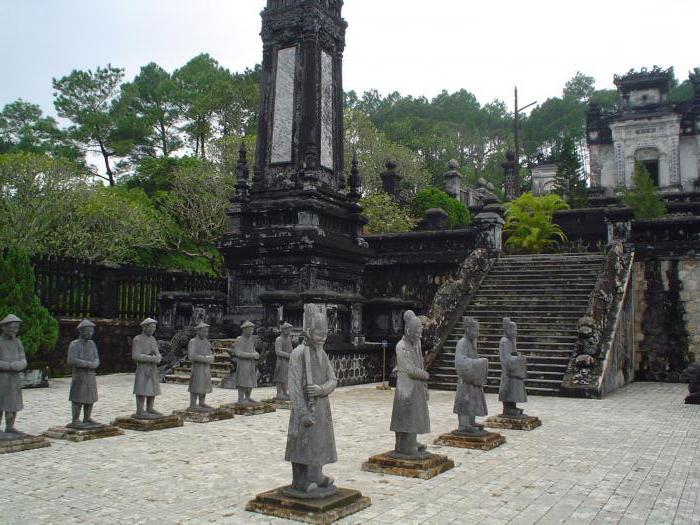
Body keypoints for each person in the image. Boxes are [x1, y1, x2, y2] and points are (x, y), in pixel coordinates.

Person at [285, 311, 337, 497]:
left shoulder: (321, 353)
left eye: (324, 334)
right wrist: (302, 412)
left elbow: (333, 380)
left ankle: (316, 474)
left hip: (321, 406)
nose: (322, 338)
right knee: (302, 442)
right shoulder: (298, 354)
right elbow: (294, 387)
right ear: (308, 332)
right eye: (318, 334)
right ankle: (299, 479)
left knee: (319, 442)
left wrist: (321, 389)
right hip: (304, 408)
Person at [390, 315, 430, 458]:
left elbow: (419, 363)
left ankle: (411, 441)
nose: (419, 336)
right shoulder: (401, 346)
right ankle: (404, 445)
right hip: (406, 388)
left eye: (420, 333)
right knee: (405, 416)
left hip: (416, 386)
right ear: (408, 331)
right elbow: (409, 369)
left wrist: (425, 386)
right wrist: (424, 375)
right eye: (416, 333)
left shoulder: (416, 344)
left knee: (414, 415)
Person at [453, 317, 488, 435]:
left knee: (473, 399)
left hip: (472, 378)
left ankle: (471, 421)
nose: (477, 334)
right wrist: (478, 363)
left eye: (478, 331)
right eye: (475, 331)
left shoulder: (472, 343)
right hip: (465, 380)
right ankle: (463, 424)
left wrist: (478, 363)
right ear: (467, 329)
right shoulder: (462, 343)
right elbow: (460, 362)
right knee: (465, 400)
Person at [67, 319, 101, 428]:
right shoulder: (74, 344)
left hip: (90, 375)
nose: (90, 333)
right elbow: (71, 360)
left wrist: (95, 364)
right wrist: (86, 364)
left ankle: (87, 418)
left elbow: (96, 358)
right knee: (78, 396)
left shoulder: (92, 344)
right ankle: (75, 419)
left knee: (90, 396)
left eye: (91, 331)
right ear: (81, 331)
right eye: (87, 331)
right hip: (79, 375)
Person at [0, 314, 26, 434]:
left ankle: (10, 426)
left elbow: (23, 359)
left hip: (14, 378)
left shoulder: (18, 342)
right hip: (2, 378)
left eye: (16, 328)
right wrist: (9, 366)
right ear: (4, 327)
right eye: (12, 327)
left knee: (13, 403)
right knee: (1, 403)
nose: (14, 330)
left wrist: (21, 364)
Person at [132, 318, 162, 419]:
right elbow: (136, 356)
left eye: (154, 328)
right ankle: (140, 410)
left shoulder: (153, 339)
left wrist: (158, 357)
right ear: (145, 327)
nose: (153, 330)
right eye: (151, 327)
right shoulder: (138, 339)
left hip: (152, 368)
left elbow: (158, 353)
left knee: (152, 388)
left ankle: (150, 408)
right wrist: (151, 358)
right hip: (143, 368)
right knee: (142, 388)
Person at [498, 317, 528, 419]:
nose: (515, 332)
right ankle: (507, 408)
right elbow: (506, 359)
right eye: (513, 330)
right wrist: (517, 359)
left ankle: (513, 407)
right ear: (507, 330)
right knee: (508, 389)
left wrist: (517, 356)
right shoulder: (504, 341)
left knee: (514, 389)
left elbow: (512, 354)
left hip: (513, 370)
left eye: (516, 330)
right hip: (508, 371)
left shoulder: (511, 340)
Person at [188, 322, 214, 411]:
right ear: (198, 331)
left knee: (204, 384)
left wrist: (209, 358)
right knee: (196, 384)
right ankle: (193, 404)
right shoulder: (193, 342)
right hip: (197, 367)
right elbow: (192, 356)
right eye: (203, 331)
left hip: (206, 367)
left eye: (206, 332)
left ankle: (202, 402)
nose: (205, 333)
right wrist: (206, 359)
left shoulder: (207, 342)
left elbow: (211, 355)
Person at [231, 321, 259, 405]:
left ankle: (248, 397)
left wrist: (256, 354)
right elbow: (238, 353)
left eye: (252, 330)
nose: (251, 332)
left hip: (251, 363)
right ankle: (240, 398)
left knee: (251, 380)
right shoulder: (240, 339)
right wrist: (252, 355)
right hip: (243, 363)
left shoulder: (252, 339)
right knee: (243, 380)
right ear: (244, 330)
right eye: (249, 330)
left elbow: (253, 350)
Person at [273, 322, 293, 401]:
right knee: (279, 377)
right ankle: (279, 393)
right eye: (288, 330)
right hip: (281, 361)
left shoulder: (288, 338)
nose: (289, 332)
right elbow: (278, 351)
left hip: (288, 361)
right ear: (284, 330)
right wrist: (288, 355)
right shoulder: (279, 339)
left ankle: (285, 392)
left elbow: (290, 349)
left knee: (286, 377)